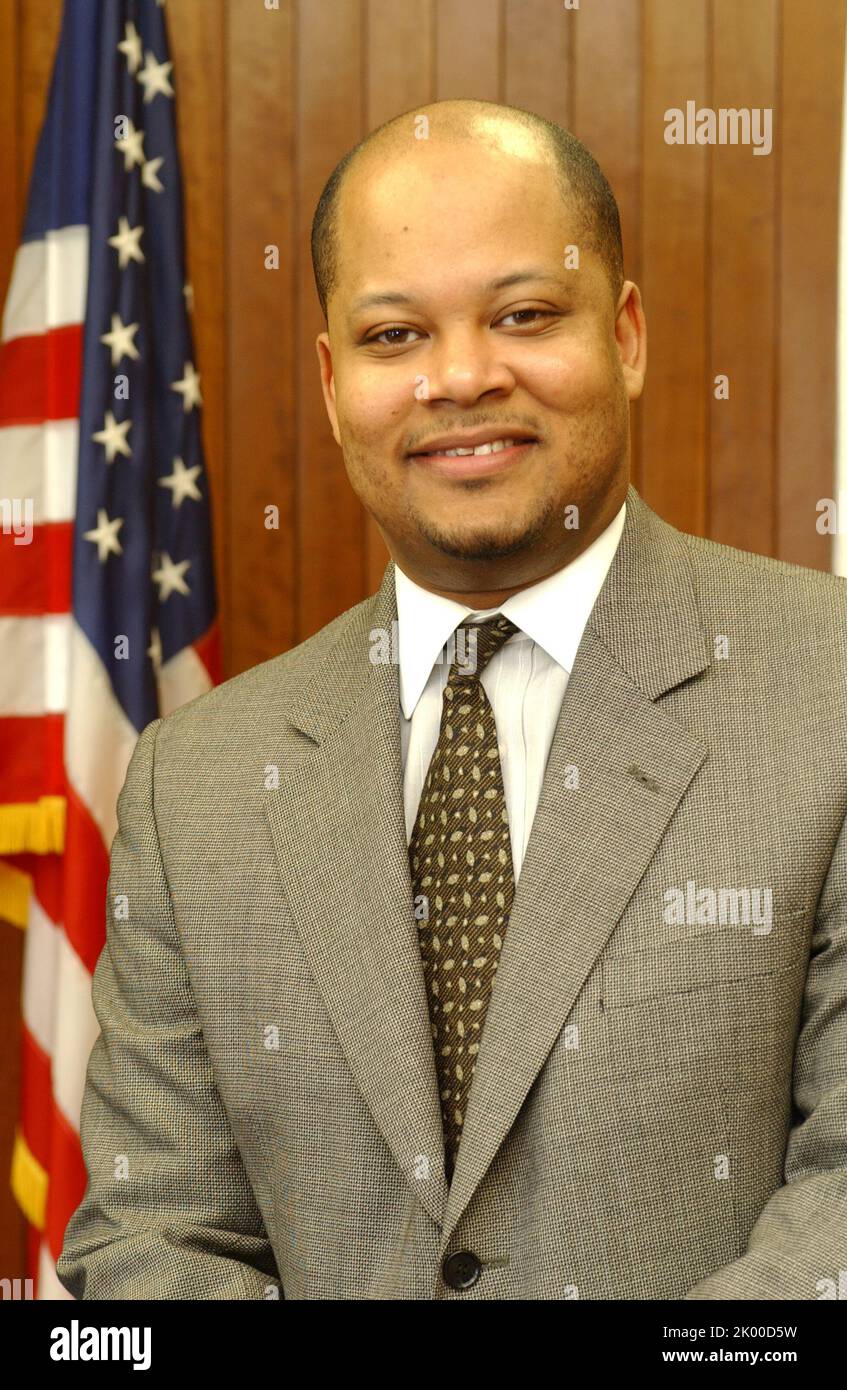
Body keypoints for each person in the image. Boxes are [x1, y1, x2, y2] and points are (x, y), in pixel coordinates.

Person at [57, 98, 847, 1300]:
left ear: (624, 335)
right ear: (332, 384)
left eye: (524, 315)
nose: (461, 376)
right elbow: (144, 1238)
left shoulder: (825, 689)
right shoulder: (196, 779)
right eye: (393, 336)